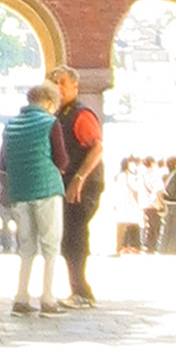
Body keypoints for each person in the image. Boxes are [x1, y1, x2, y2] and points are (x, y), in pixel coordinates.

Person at [0, 83, 62, 315]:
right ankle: (47, 298)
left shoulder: (11, 126)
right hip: (47, 189)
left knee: (26, 247)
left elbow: (3, 163)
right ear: (48, 102)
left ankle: (21, 297)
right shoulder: (50, 123)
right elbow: (61, 159)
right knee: (50, 246)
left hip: (20, 191)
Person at [50, 70, 105, 305]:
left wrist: (79, 178)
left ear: (74, 86)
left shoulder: (80, 115)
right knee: (68, 236)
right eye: (54, 83)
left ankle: (82, 292)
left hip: (82, 186)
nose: (58, 88)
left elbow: (97, 147)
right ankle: (78, 289)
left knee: (75, 234)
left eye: (62, 83)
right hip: (65, 184)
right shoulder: (59, 115)